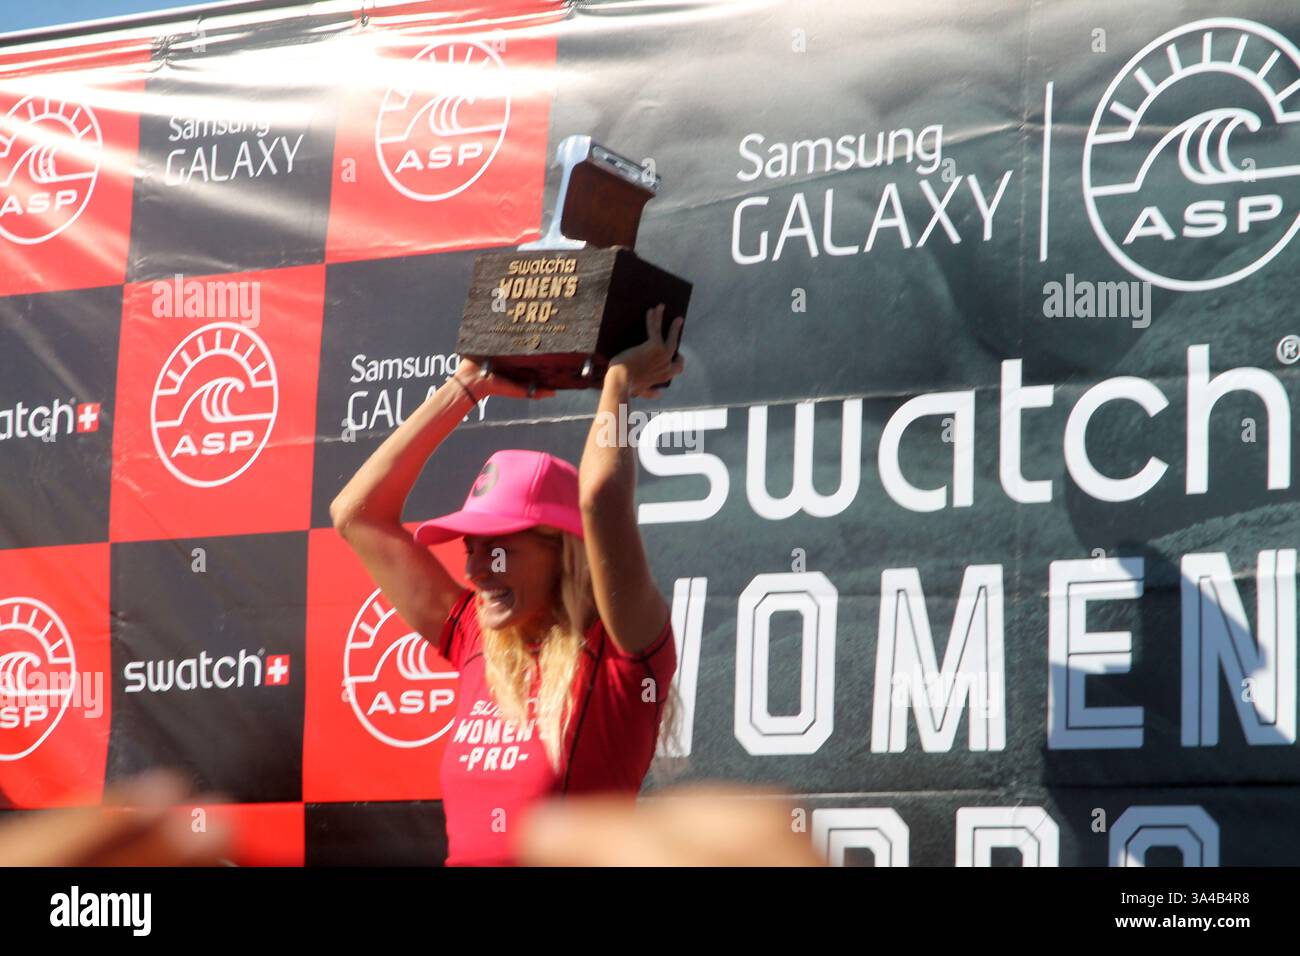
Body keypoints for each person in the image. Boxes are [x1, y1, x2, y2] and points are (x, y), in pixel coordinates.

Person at [331, 304, 687, 866]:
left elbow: (599, 499)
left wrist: (618, 384)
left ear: (563, 552)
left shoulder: (622, 652)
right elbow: (357, 515)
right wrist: (467, 385)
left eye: (498, 550)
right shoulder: (478, 637)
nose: (474, 570)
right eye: (470, 548)